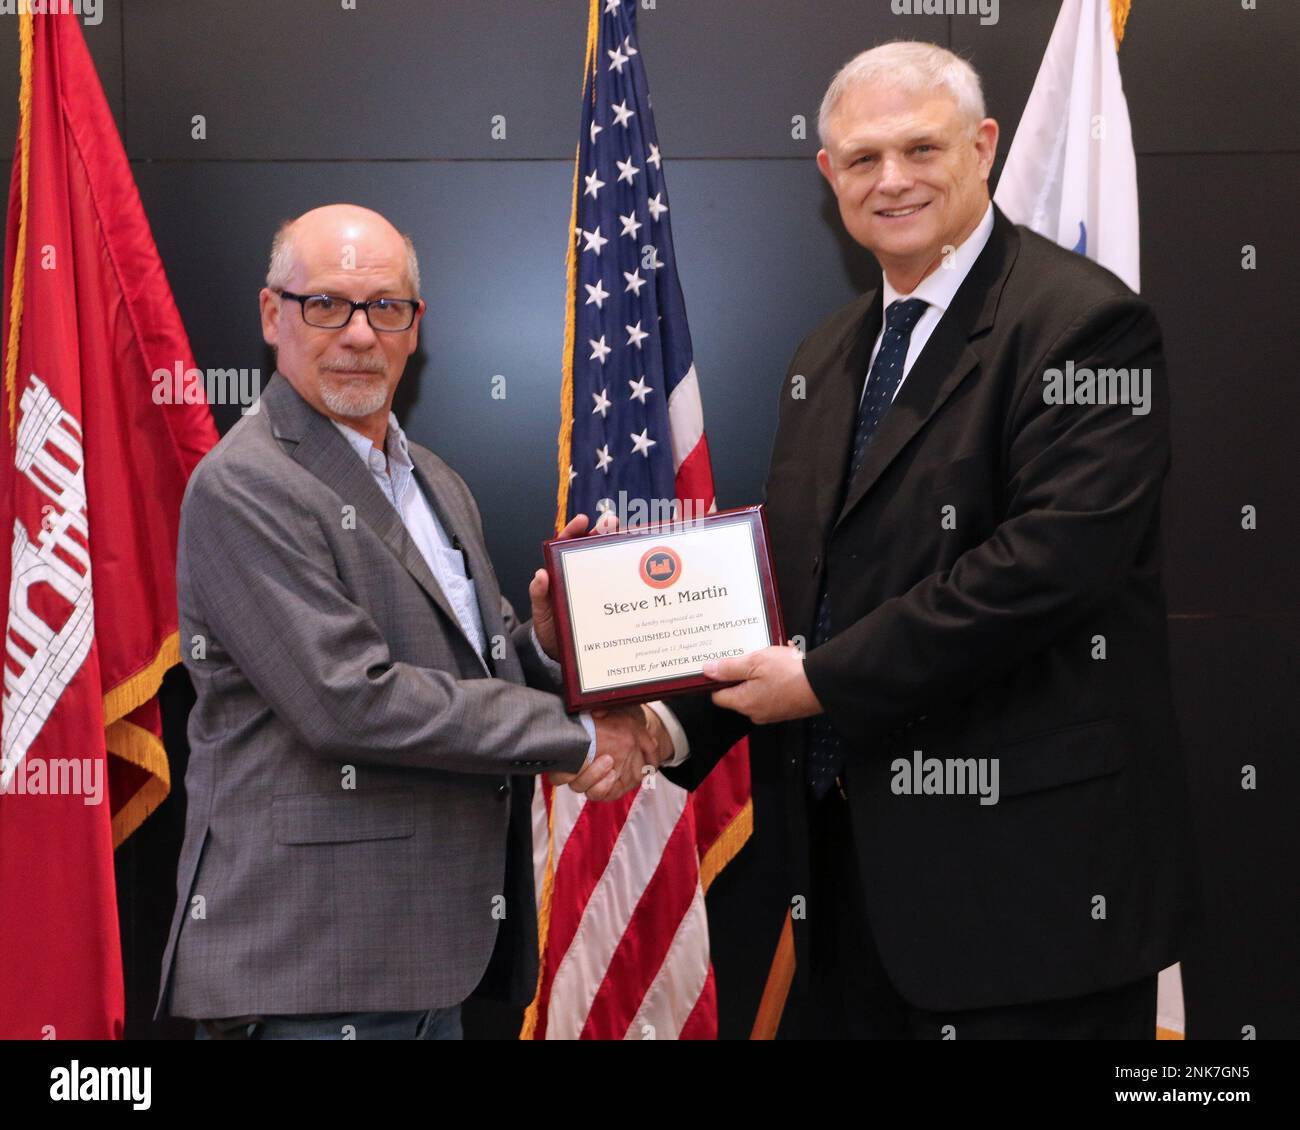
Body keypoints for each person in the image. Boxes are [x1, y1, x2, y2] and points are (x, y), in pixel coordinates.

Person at [646, 41, 1193, 1038]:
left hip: (1029, 897)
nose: (890, 179)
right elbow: (793, 587)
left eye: (920, 148)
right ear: (829, 176)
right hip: (843, 885)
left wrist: (818, 682)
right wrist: (659, 715)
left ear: (982, 147)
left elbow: (1044, 570)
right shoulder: (826, 352)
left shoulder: (1087, 325)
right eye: (863, 158)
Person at [156, 204, 667, 1040]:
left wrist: (547, 643)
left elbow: (466, 668)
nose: (360, 334)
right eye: (328, 304)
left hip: (425, 955)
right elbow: (350, 699)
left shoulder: (433, 479)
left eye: (385, 307)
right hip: (310, 967)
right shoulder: (244, 483)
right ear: (272, 315)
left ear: (414, 325)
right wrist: (578, 738)